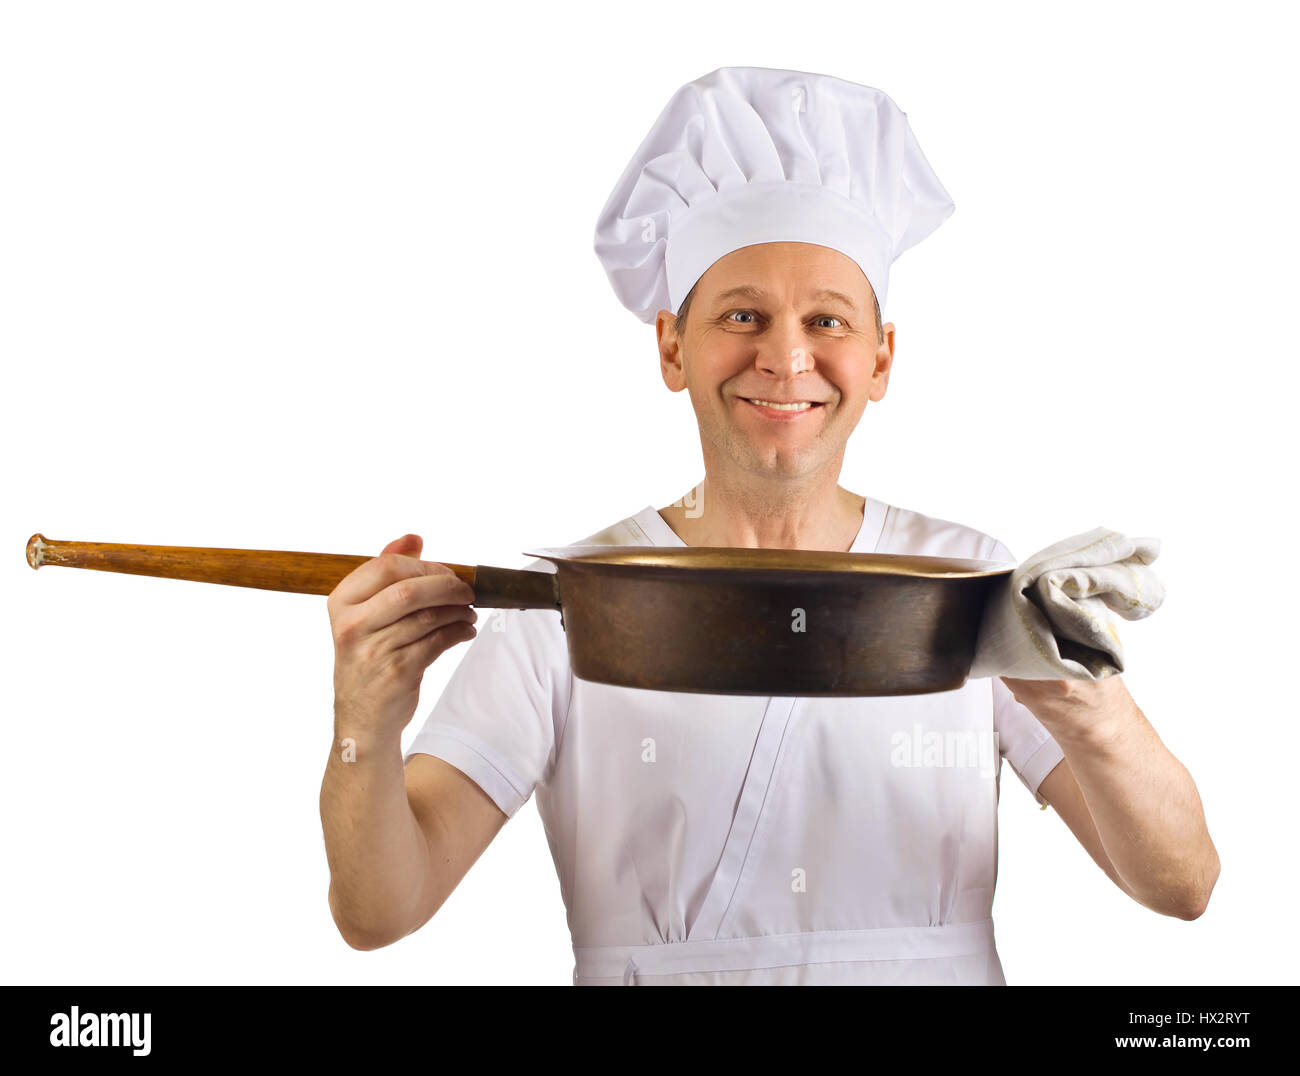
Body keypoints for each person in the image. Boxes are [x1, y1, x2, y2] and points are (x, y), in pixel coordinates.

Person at [318, 66, 1219, 985]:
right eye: (741, 315)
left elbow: (1182, 885)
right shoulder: (570, 603)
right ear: (672, 346)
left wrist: (1083, 699)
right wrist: (366, 723)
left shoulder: (966, 585)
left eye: (827, 320)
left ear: (881, 358)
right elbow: (383, 909)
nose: (786, 358)